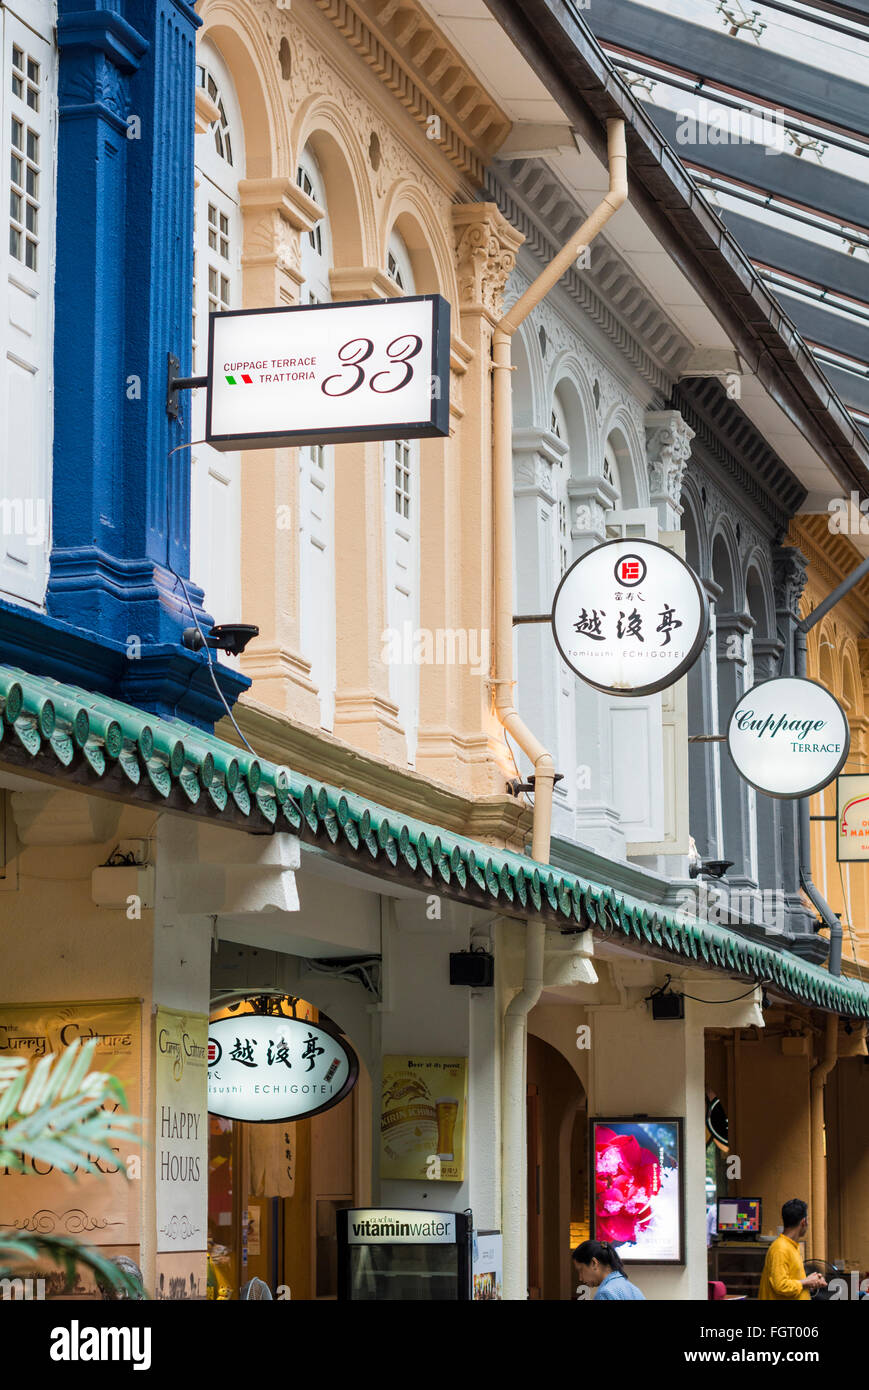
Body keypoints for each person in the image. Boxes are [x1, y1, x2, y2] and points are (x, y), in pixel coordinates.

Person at [758, 1198, 827, 1300]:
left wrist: (811, 1281)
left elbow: (794, 1282)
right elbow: (781, 1286)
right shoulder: (780, 1248)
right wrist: (806, 1282)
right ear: (803, 1222)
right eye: (808, 1220)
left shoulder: (791, 1246)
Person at [572, 1239, 646, 1300]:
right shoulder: (633, 1289)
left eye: (580, 1270)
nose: (580, 1278)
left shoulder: (605, 1294)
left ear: (594, 1263)